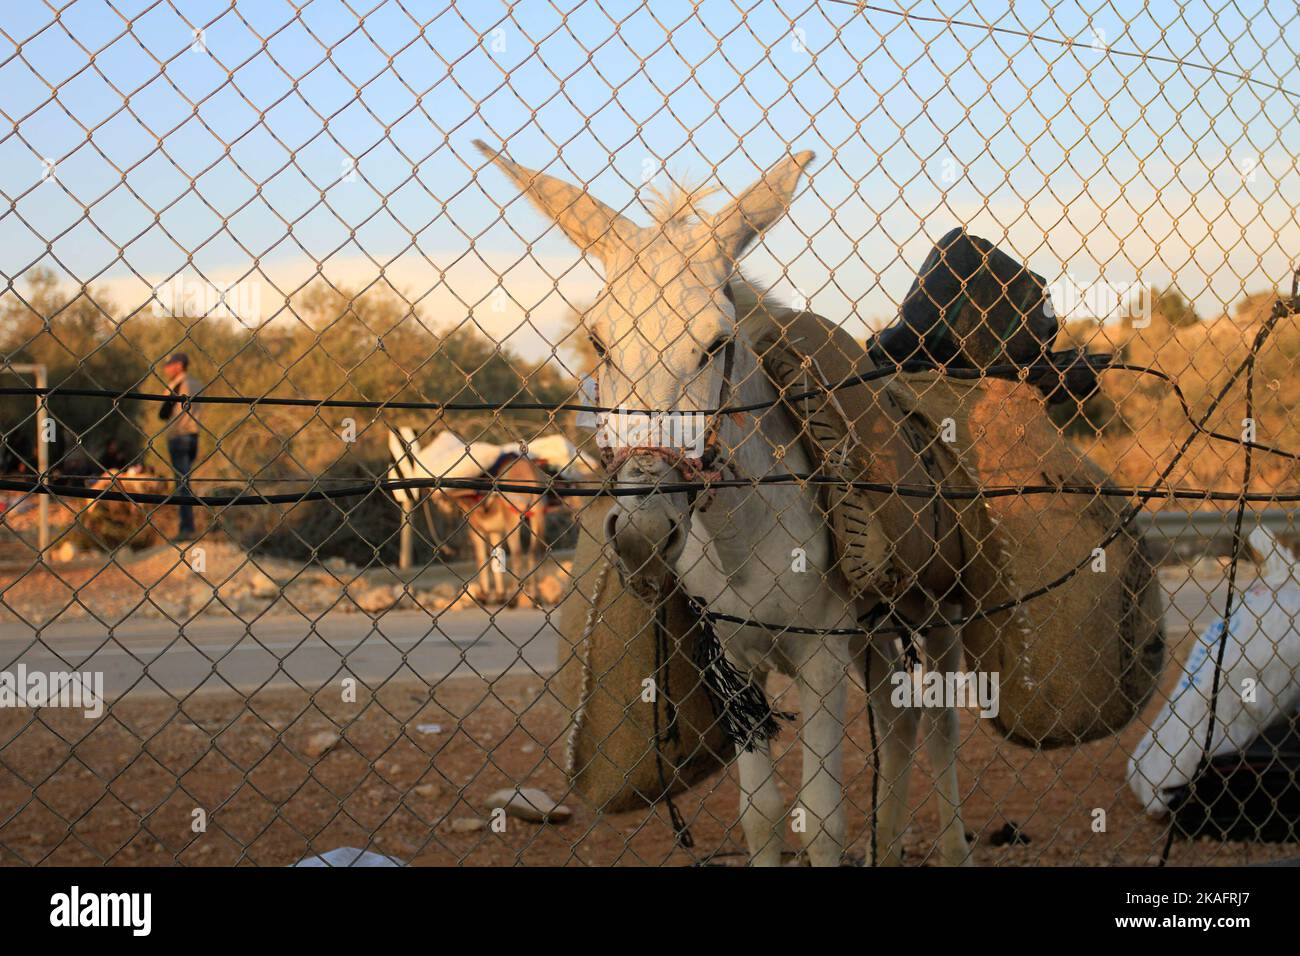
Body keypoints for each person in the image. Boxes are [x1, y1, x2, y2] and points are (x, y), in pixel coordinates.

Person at [158, 351, 201, 538]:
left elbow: (162, 413)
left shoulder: (176, 386)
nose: (166, 369)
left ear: (179, 365)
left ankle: (187, 528)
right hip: (193, 436)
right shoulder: (196, 384)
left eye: (169, 364)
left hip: (179, 436)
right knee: (185, 481)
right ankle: (187, 525)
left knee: (182, 483)